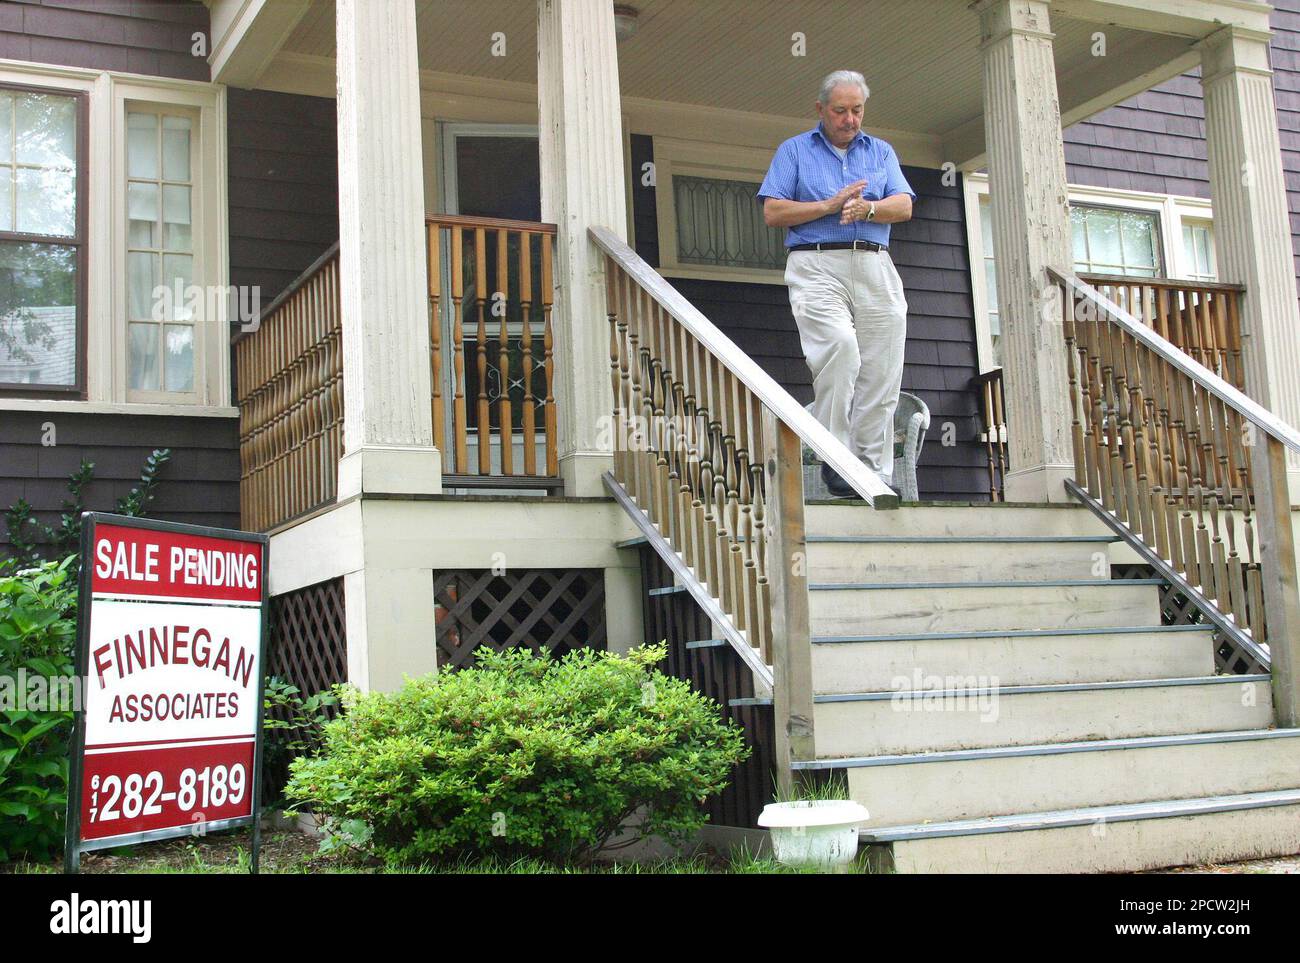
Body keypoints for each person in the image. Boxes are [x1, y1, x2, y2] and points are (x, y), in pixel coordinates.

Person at [757, 69, 915, 498]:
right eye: (841, 111)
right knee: (840, 350)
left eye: (857, 110)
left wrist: (867, 209)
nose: (850, 119)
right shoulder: (794, 150)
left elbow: (903, 205)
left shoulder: (881, 151)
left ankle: (871, 471)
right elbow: (773, 212)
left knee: (882, 368)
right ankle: (835, 457)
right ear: (821, 109)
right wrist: (828, 205)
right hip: (816, 262)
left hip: (874, 263)